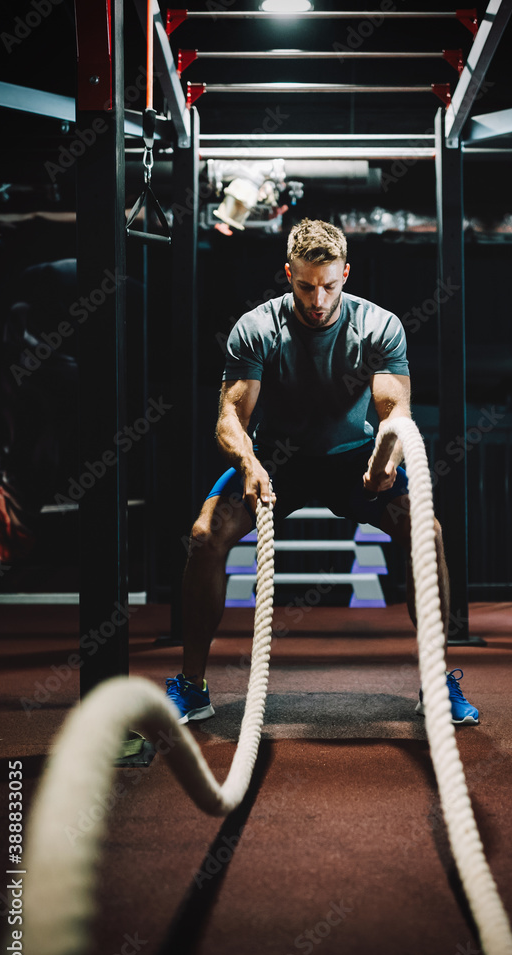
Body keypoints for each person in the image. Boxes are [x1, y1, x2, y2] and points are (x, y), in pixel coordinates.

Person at [165, 218, 478, 726]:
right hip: (277, 462)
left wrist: (388, 461)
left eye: (329, 285)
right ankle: (193, 686)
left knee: (428, 532)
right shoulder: (257, 328)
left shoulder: (379, 325)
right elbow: (230, 419)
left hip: (355, 462)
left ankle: (437, 682)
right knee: (205, 534)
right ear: (289, 273)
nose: (317, 299)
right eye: (306, 285)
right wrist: (249, 463)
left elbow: (395, 412)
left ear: (346, 274)